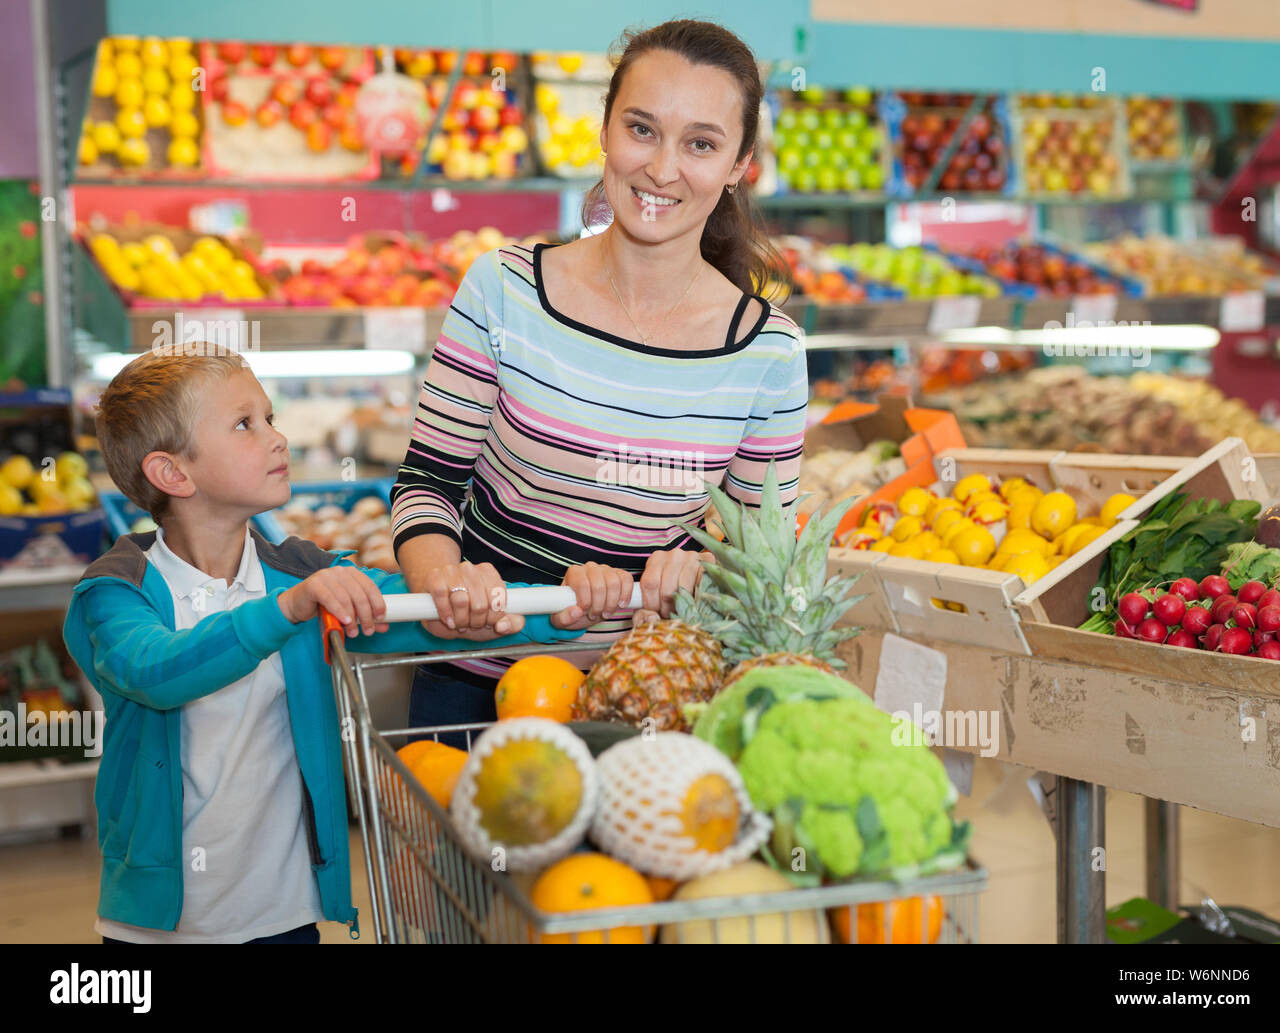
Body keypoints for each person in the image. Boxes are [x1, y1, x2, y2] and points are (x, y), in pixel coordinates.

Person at [63, 347, 580, 944]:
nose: (276, 438)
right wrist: (286, 610)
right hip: (159, 927)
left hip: (286, 914)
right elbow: (156, 670)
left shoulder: (298, 571)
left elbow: (417, 613)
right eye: (244, 424)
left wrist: (556, 609)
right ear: (173, 473)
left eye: (271, 417)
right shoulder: (118, 590)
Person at [392, 18, 807, 729]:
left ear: (739, 166)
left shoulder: (768, 351)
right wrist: (444, 578)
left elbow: (761, 562)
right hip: (476, 682)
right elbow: (427, 484)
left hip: (656, 700)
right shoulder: (504, 288)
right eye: (642, 129)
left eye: (701, 144)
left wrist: (700, 575)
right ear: (606, 129)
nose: (663, 168)